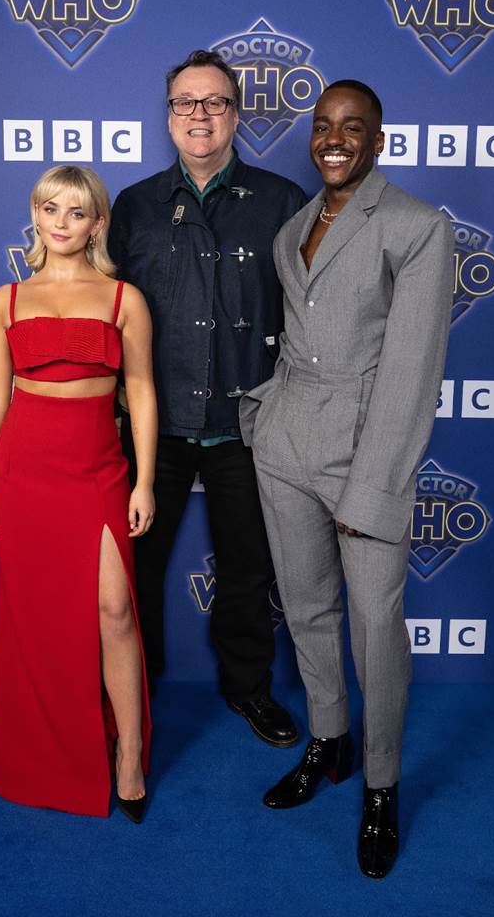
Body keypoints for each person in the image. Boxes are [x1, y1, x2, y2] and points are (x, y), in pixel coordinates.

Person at [240, 80, 453, 877]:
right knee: (305, 606)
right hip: (287, 438)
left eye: (352, 127)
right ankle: (329, 744)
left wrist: (375, 485)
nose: (335, 139)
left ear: (379, 139)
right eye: (324, 126)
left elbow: (413, 371)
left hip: (365, 447)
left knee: (374, 623)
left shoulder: (416, 226)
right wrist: (266, 425)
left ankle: (381, 784)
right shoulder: (296, 223)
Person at [108, 50, 306, 747]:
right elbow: (106, 324)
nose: (200, 114)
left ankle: (248, 691)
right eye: (186, 102)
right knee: (135, 573)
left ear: (236, 114)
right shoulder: (132, 206)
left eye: (214, 102)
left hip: (248, 424)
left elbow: (311, 315)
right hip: (150, 428)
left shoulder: (284, 202)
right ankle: (132, 696)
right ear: (167, 117)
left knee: (249, 569)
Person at [0, 165, 156, 822]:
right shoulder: (6, 300)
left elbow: (140, 392)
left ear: (96, 223)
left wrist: (145, 480)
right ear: (36, 215)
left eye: (77, 213)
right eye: (51, 208)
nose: (62, 222)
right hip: (25, 470)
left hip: (98, 468)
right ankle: (50, 752)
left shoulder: (122, 298)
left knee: (115, 610)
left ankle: (129, 754)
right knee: (37, 618)